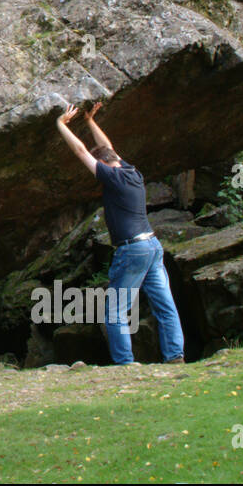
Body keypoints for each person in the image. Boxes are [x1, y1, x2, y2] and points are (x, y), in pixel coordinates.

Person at [55, 101, 185, 365]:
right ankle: (175, 357)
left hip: (133, 250)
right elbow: (109, 148)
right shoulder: (132, 172)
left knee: (114, 310)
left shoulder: (112, 178)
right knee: (165, 307)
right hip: (152, 246)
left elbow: (81, 152)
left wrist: (60, 125)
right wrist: (90, 122)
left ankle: (125, 364)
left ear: (104, 164)